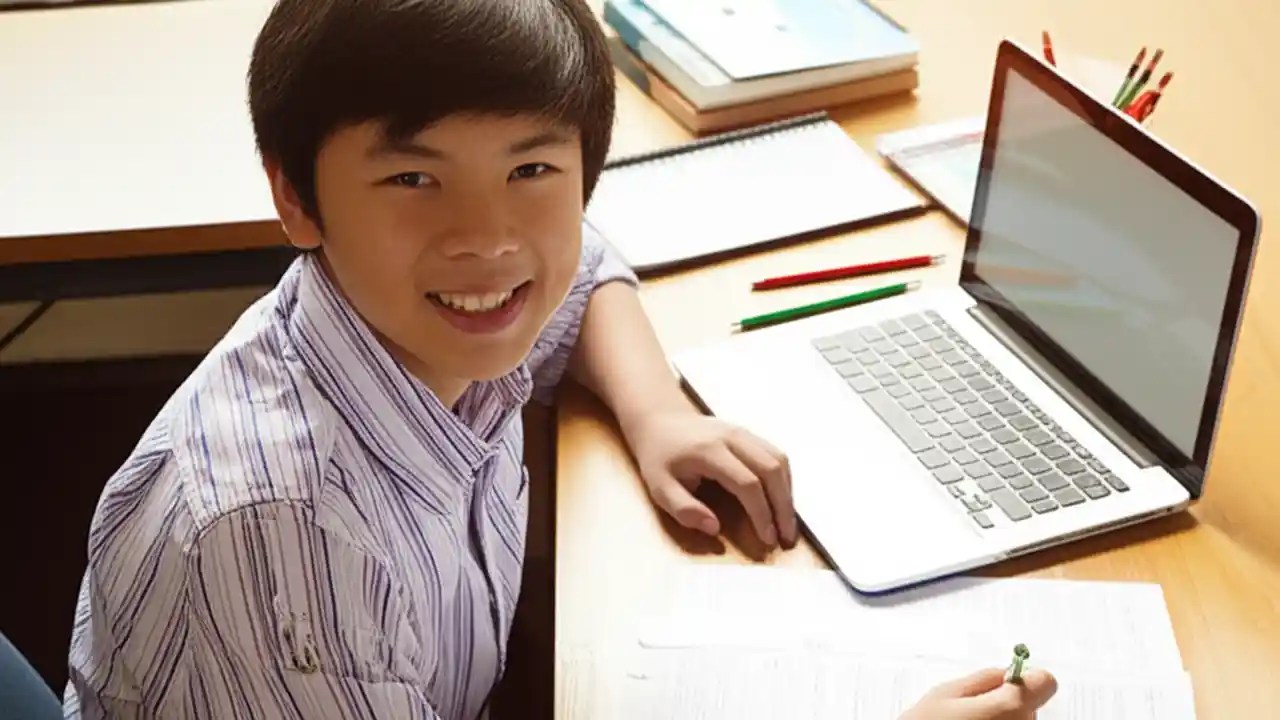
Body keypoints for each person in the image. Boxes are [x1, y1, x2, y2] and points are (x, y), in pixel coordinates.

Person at [61, 1, 1055, 718]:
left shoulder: (415, 319)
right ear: (295, 199)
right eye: (414, 177)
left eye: (532, 170)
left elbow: (578, 273)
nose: (487, 239)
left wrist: (658, 411)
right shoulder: (289, 539)